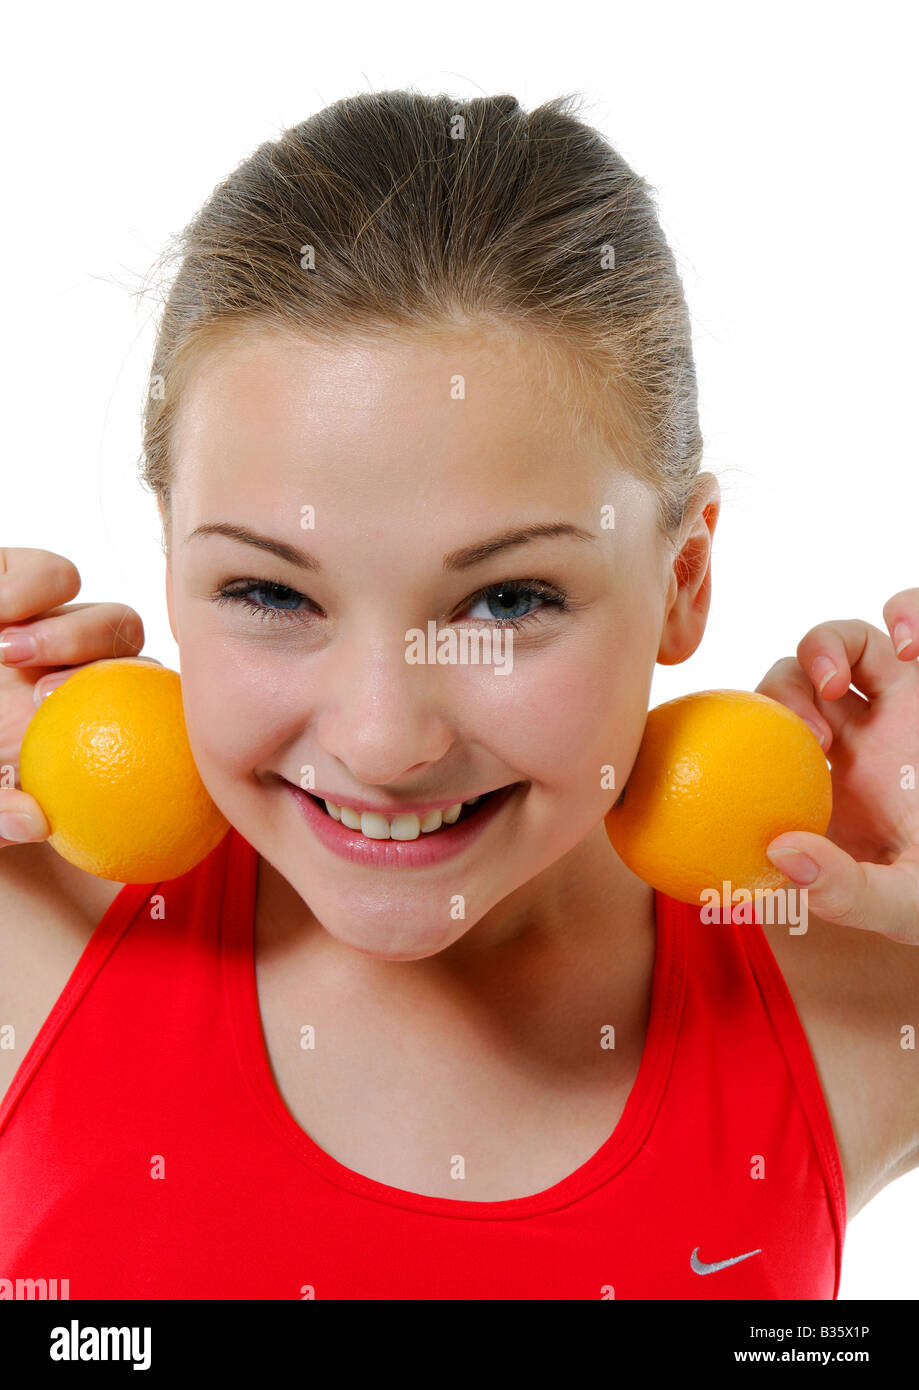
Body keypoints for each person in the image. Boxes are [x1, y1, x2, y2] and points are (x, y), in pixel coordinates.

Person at [1, 90, 918, 1300]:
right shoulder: (31, 924)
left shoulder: (845, 980)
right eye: (271, 593)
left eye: (506, 601)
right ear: (168, 558)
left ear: (684, 577)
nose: (382, 740)